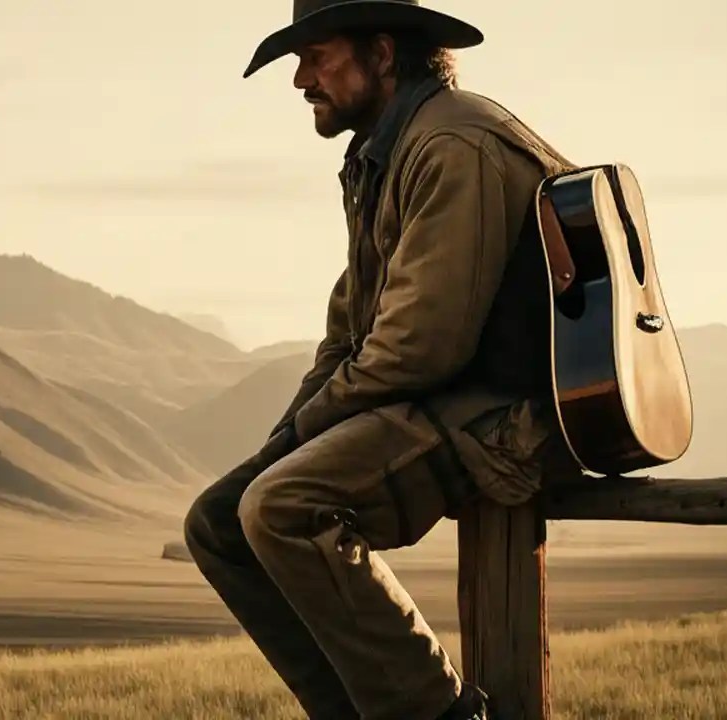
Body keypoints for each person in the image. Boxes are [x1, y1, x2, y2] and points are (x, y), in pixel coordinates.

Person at [183, 2, 582, 719]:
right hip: (446, 407)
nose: (300, 80)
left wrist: (298, 442)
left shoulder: (454, 147)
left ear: (384, 53)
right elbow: (348, 335)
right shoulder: (386, 155)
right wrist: (285, 438)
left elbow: (415, 349)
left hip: (507, 422)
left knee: (281, 507)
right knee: (217, 521)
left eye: (316, 56)